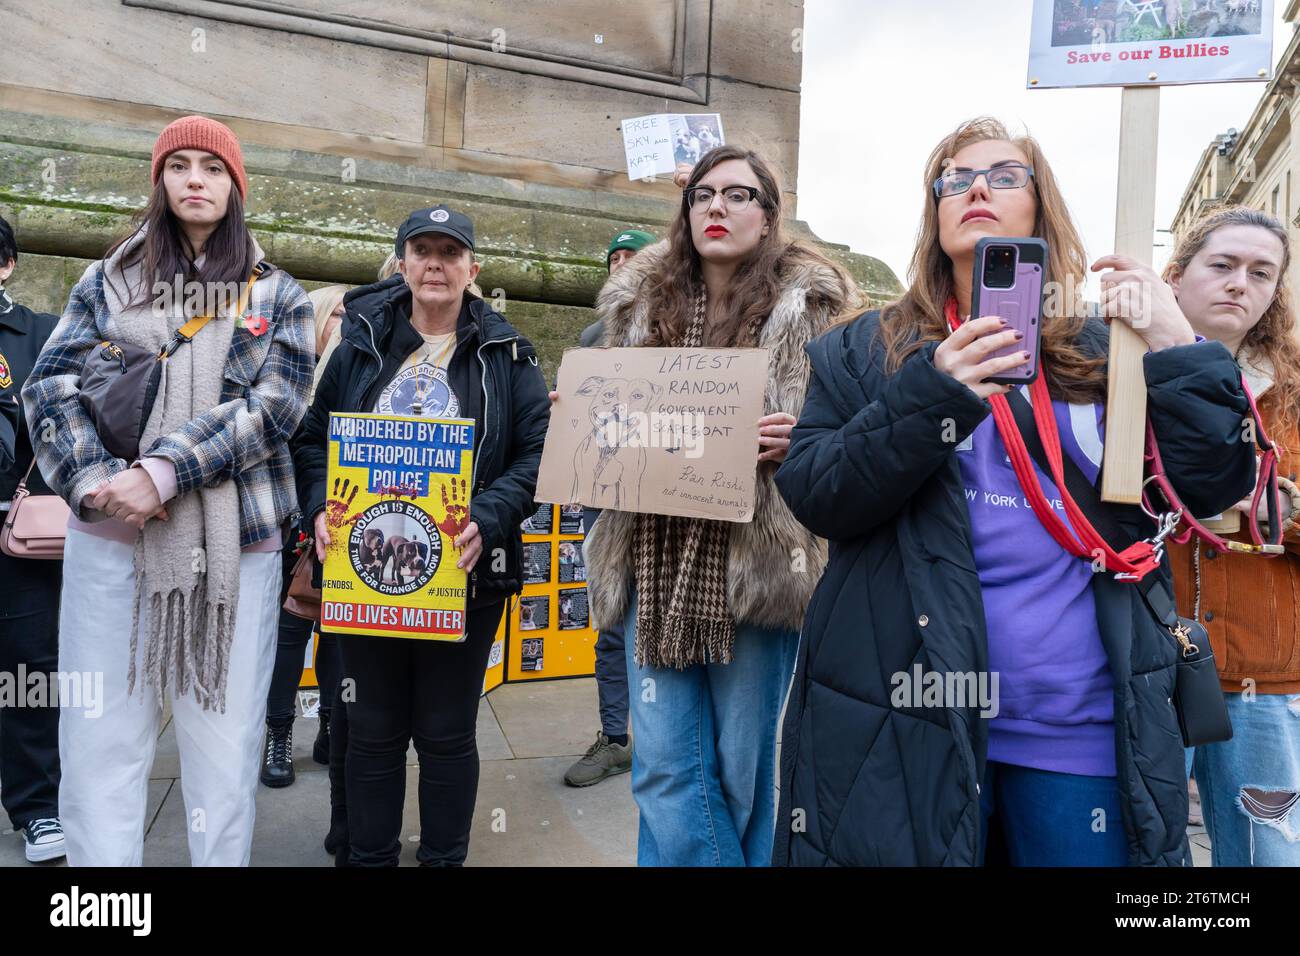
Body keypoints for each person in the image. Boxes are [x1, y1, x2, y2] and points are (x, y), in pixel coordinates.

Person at [771, 117, 1255, 867]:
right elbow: (820, 496)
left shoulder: (1110, 349)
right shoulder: (863, 350)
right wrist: (933, 394)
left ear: (1041, 204)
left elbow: (1213, 484)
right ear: (934, 214)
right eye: (954, 180)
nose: (975, 190)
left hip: (1076, 723)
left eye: (1003, 176)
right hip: (909, 716)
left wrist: (1178, 345)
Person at [22, 115, 315, 866]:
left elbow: (275, 408)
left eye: (212, 169)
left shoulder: (276, 295)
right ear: (159, 179)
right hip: (110, 543)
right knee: (99, 744)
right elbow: (48, 387)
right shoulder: (106, 280)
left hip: (233, 556)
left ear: (235, 187)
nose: (195, 179)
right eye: (179, 165)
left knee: (221, 753)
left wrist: (163, 471)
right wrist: (95, 483)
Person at [578, 145, 860, 865]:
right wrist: (583, 423)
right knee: (665, 765)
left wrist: (803, 438)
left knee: (744, 773)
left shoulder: (817, 308)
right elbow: (615, 425)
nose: (716, 207)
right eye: (703, 194)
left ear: (768, 218)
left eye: (738, 195)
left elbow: (854, 431)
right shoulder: (638, 301)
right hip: (653, 554)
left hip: (758, 567)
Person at [292, 204, 549, 866]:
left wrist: (487, 516)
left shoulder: (507, 351)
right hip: (365, 572)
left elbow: (535, 455)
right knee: (371, 733)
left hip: (466, 579)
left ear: (473, 268)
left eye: (450, 252)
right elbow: (313, 438)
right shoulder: (360, 341)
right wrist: (320, 509)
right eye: (422, 250)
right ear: (401, 262)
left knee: (445, 733)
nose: (435, 263)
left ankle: (443, 858)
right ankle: (370, 856)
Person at [1162, 205, 1300, 866]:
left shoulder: (1293, 394)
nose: (1239, 283)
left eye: (1260, 272)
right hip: (1145, 659)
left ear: (1276, 291)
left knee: (1265, 856)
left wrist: (1278, 506)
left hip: (1264, 674)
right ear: (1179, 272)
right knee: (1145, 854)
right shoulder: (1115, 372)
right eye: (1222, 265)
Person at [563, 228, 655, 788]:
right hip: (606, 496)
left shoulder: (677, 328)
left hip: (664, 495)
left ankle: (664, 736)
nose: (620, 265)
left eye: (632, 258)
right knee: (611, 623)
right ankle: (615, 737)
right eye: (613, 257)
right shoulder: (594, 333)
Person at [260, 284, 351, 789]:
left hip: (340, 523)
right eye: (338, 313)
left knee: (337, 633)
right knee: (290, 633)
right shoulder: (290, 376)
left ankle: (332, 727)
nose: (347, 322)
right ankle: (279, 734)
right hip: (290, 524)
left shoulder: (357, 371)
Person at [0, 215, 65, 862]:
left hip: (14, 536)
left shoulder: (42, 335)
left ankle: (38, 808)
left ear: (7, 265)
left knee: (27, 670)